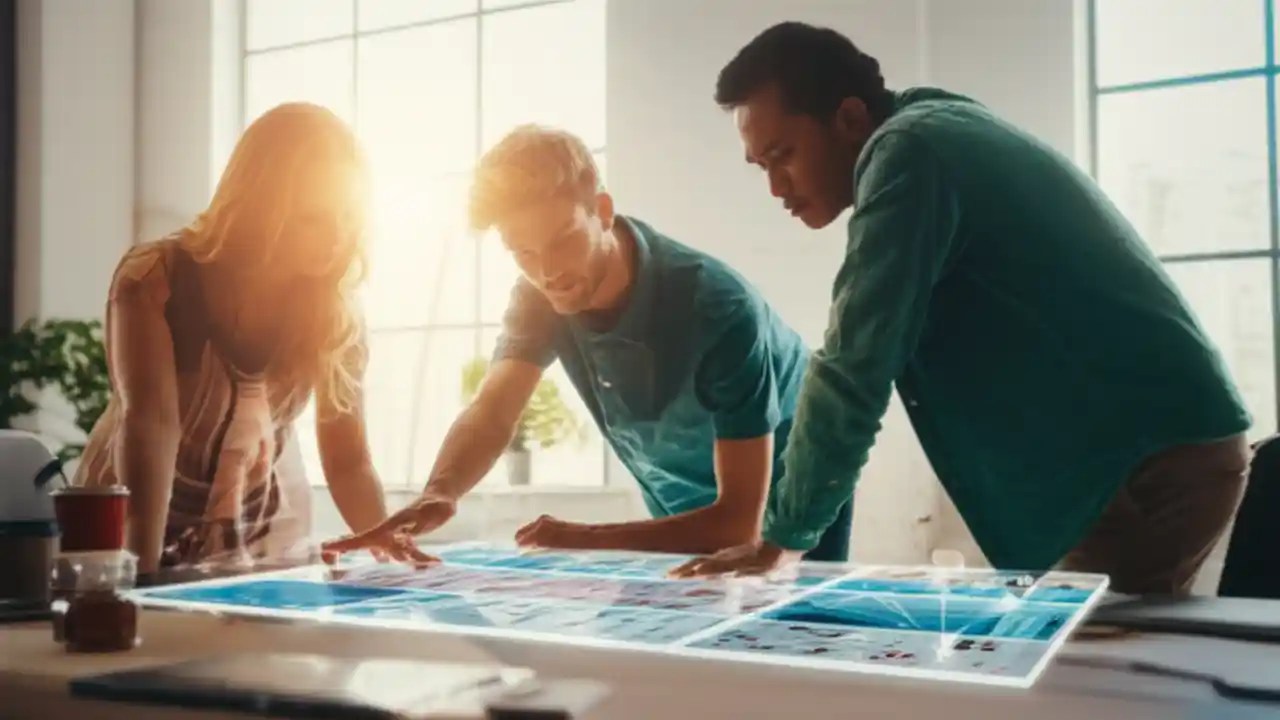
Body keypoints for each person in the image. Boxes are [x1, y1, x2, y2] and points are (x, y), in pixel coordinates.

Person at [670, 22, 1252, 595]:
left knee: (1074, 681)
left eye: (783, 155)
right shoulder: (935, 126)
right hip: (1152, 456)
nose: (776, 187)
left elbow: (853, 368)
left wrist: (781, 541)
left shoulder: (907, 154)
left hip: (1146, 468)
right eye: (761, 166)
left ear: (848, 119)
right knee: (1080, 673)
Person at [321, 124, 852, 564]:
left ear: (601, 209)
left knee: (798, 639)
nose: (548, 272)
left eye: (562, 242)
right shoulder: (538, 295)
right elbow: (493, 410)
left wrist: (583, 540)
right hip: (680, 501)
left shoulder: (718, 306)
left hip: (791, 492)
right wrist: (441, 491)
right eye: (522, 252)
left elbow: (739, 522)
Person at [74, 103, 389, 577]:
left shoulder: (336, 311)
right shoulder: (154, 279)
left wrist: (391, 549)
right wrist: (137, 574)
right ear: (264, 203)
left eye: (349, 216)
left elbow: (347, 463)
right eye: (313, 217)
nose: (337, 237)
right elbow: (151, 428)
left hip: (240, 546)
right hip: (123, 531)